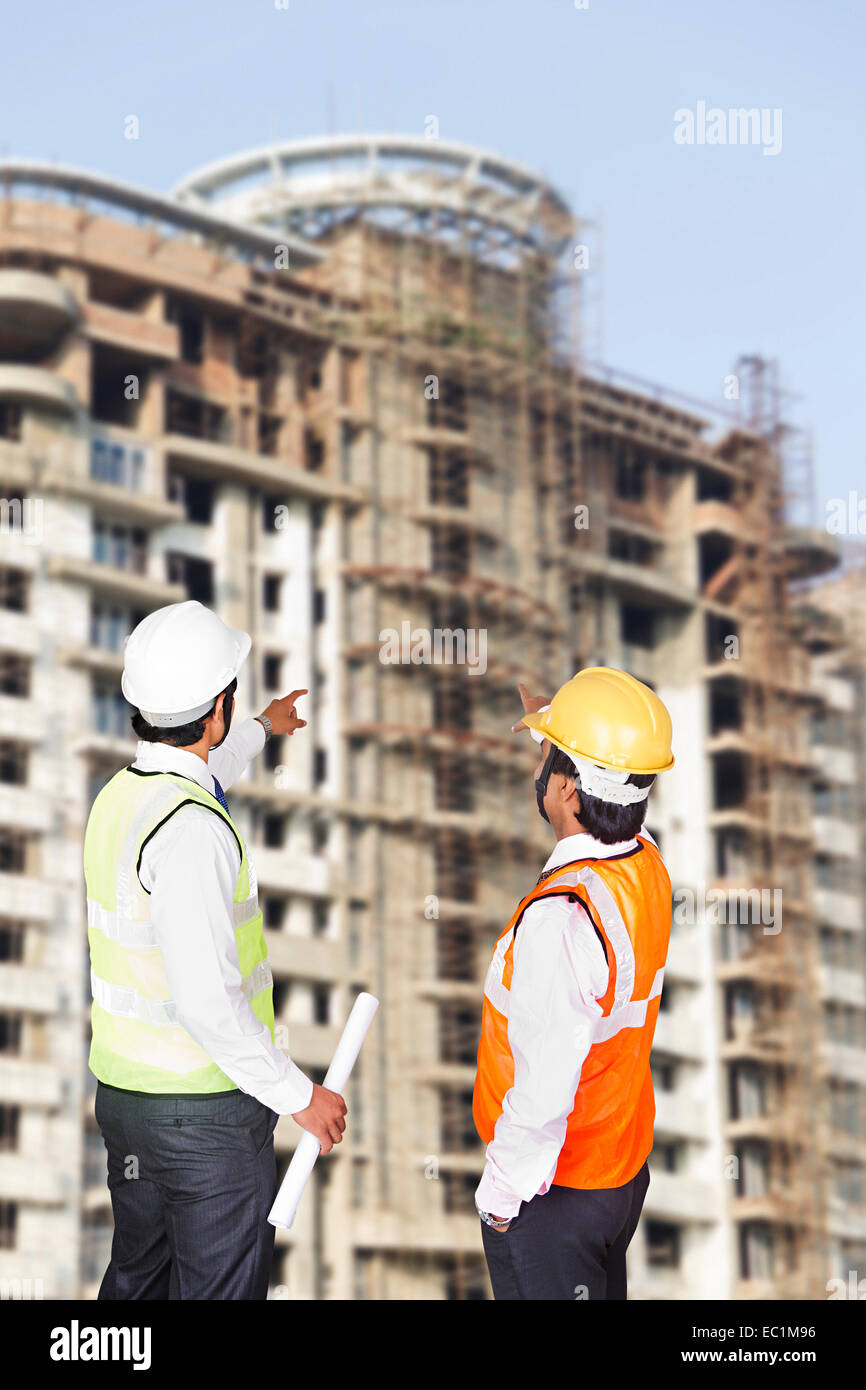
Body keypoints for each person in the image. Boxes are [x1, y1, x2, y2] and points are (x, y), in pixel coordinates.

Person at [84, 600, 347, 1300]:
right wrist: (299, 1096)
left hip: (129, 1102)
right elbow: (208, 1001)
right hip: (203, 1121)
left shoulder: (121, 798)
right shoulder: (193, 831)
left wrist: (264, 726)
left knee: (139, 1286)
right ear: (215, 708)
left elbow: (206, 764)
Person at [473, 667, 674, 1300]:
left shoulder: (562, 918)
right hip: (618, 1172)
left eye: (549, 761)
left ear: (564, 788)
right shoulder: (646, 864)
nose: (539, 770)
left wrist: (500, 1196)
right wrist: (558, 721)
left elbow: (544, 1088)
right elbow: (620, 783)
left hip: (553, 1192)